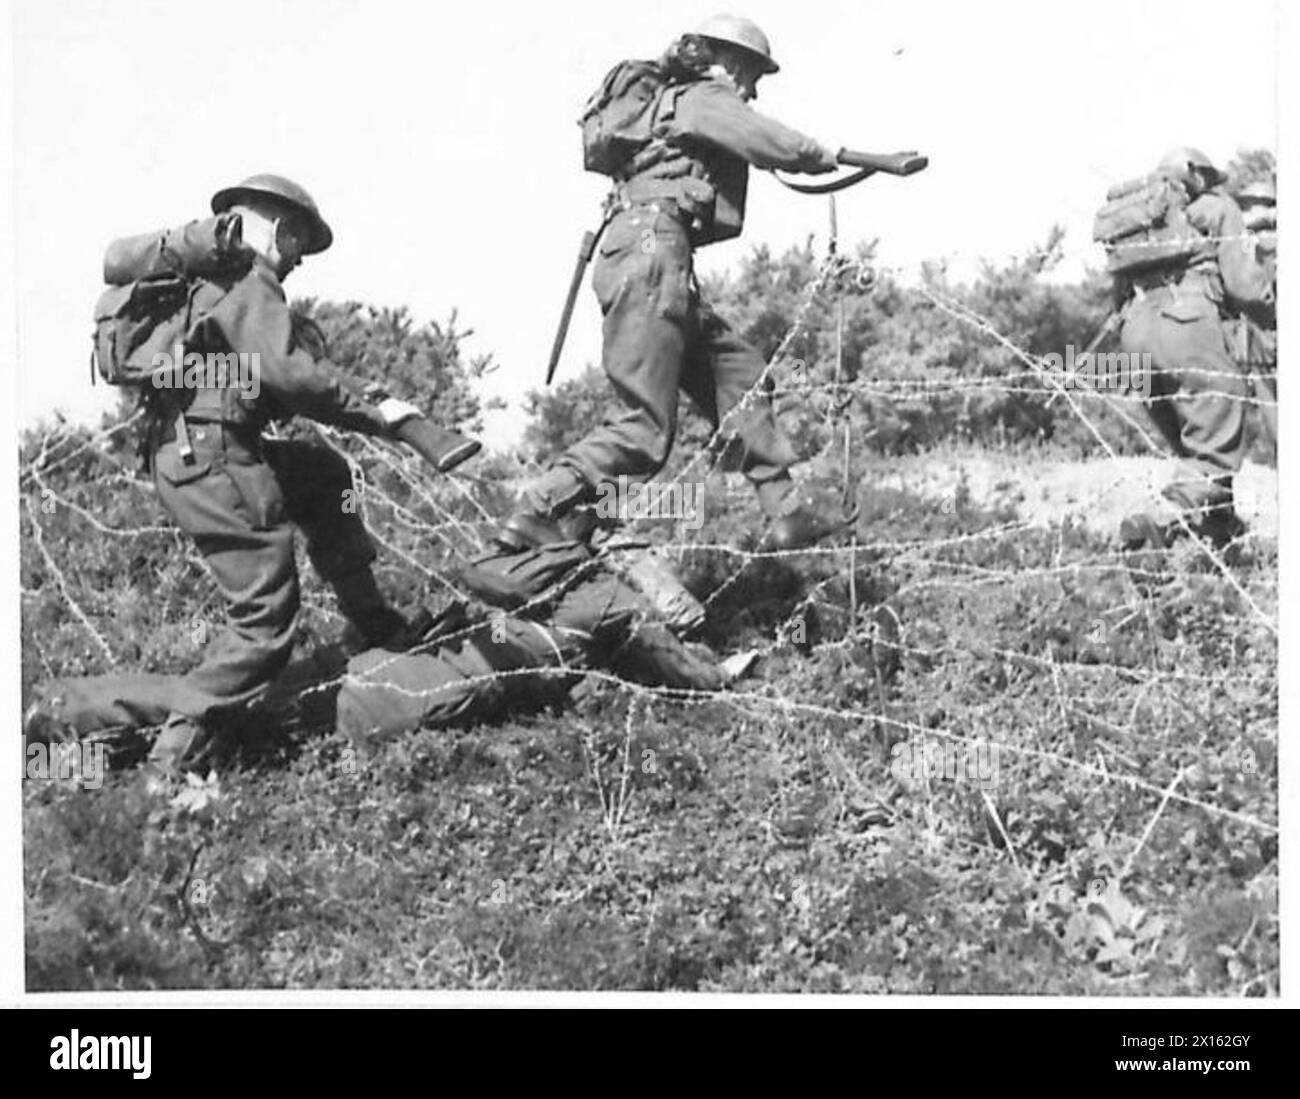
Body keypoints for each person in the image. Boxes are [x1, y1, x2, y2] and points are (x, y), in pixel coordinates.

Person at [27, 174, 473, 774]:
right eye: (298, 246)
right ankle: (170, 769)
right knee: (264, 625)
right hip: (215, 462)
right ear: (281, 229)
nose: (297, 261)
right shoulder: (247, 280)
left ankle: (373, 621)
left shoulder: (200, 281)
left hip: (191, 454)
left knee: (321, 473)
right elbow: (291, 375)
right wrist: (397, 419)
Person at [501, 15, 854, 553]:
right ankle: (541, 509)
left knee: (738, 370)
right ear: (729, 61)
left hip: (659, 256)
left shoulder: (677, 103)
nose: (753, 89)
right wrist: (824, 154)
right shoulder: (700, 97)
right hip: (651, 254)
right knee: (645, 427)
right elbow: (769, 141)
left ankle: (783, 511)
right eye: (752, 74)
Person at [24, 542, 763, 761]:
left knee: (246, 719)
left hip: (409, 668)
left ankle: (64, 736)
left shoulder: (545, 572)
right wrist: (721, 679)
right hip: (413, 686)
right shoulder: (603, 594)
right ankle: (56, 713)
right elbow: (670, 647)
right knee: (245, 712)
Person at [1116, 149, 1275, 551]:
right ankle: (1158, 520)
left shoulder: (1137, 221)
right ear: (1200, 175)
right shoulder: (1218, 207)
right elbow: (1245, 287)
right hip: (1188, 326)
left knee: (1195, 444)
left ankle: (1217, 534)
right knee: (1216, 442)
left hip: (1135, 334)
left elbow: (1116, 296)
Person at [1233, 177, 1277, 449]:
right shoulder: (1247, 244)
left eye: (1250, 207)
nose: (1245, 214)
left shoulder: (1264, 244)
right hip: (1258, 346)